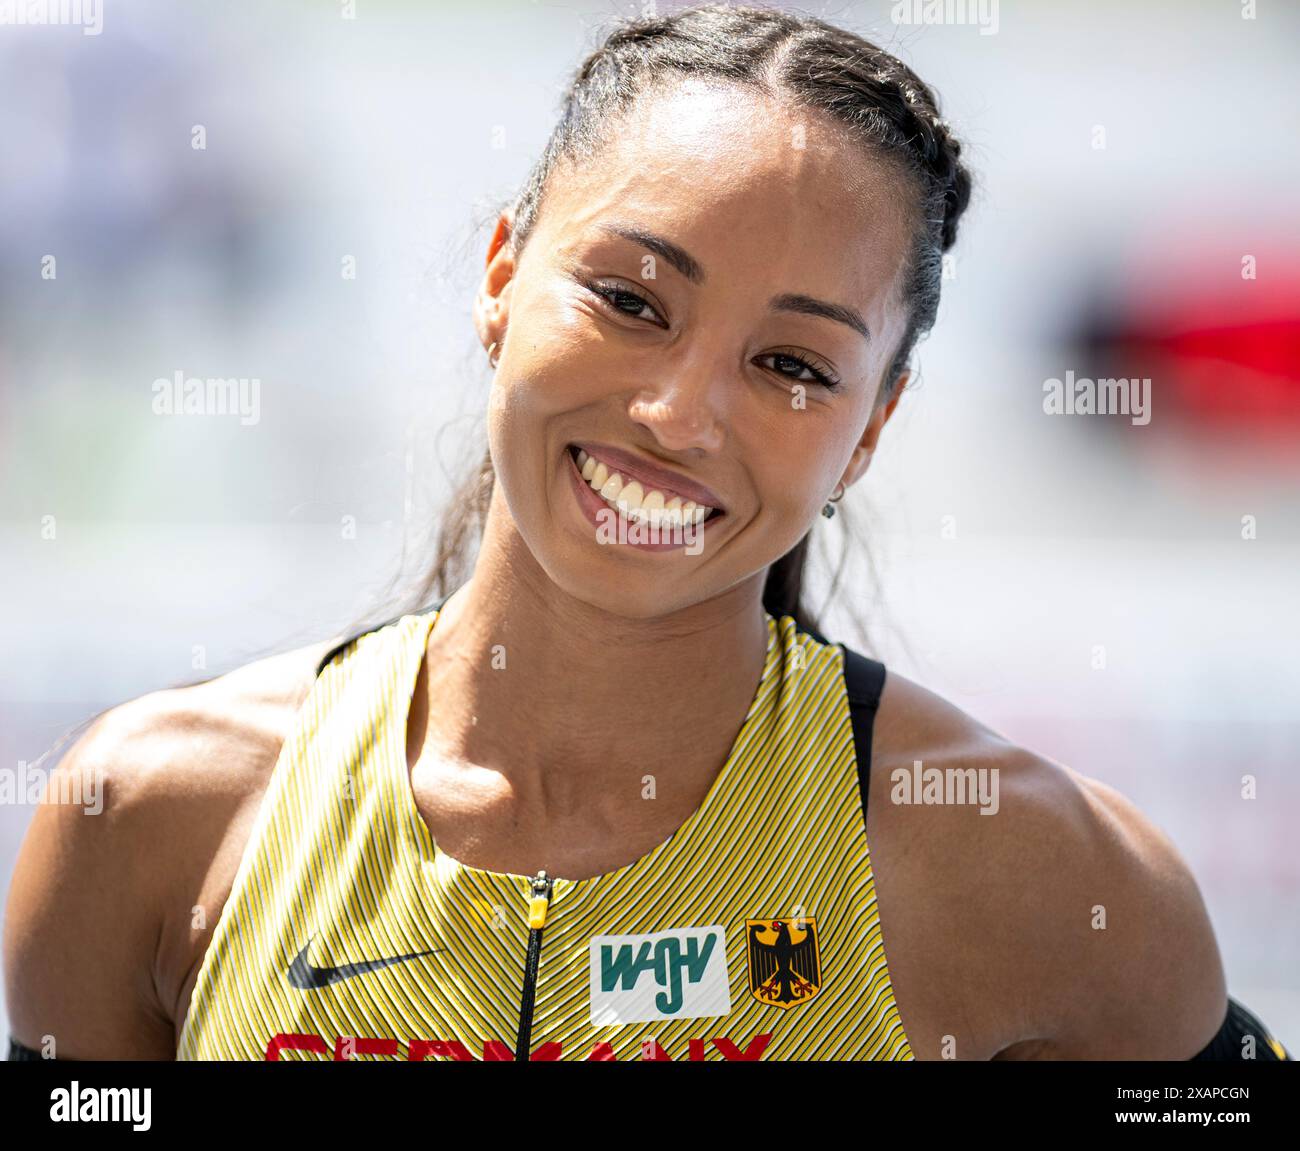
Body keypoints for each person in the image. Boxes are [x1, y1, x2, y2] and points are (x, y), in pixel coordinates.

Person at [4, 4, 1290, 1062]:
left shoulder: (1019, 866)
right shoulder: (155, 808)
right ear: (500, 275)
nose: (678, 414)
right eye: (628, 297)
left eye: (791, 363)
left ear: (874, 425)